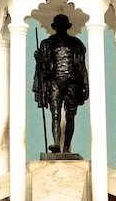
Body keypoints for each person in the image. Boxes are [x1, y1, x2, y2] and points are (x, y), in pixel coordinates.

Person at [32, 14, 89, 154]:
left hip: (72, 83)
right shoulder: (47, 44)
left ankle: (66, 147)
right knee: (55, 114)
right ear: (55, 27)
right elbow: (46, 71)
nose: (61, 28)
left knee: (70, 115)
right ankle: (57, 144)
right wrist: (39, 59)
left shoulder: (76, 44)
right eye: (59, 25)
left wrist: (85, 85)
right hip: (55, 83)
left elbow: (81, 66)